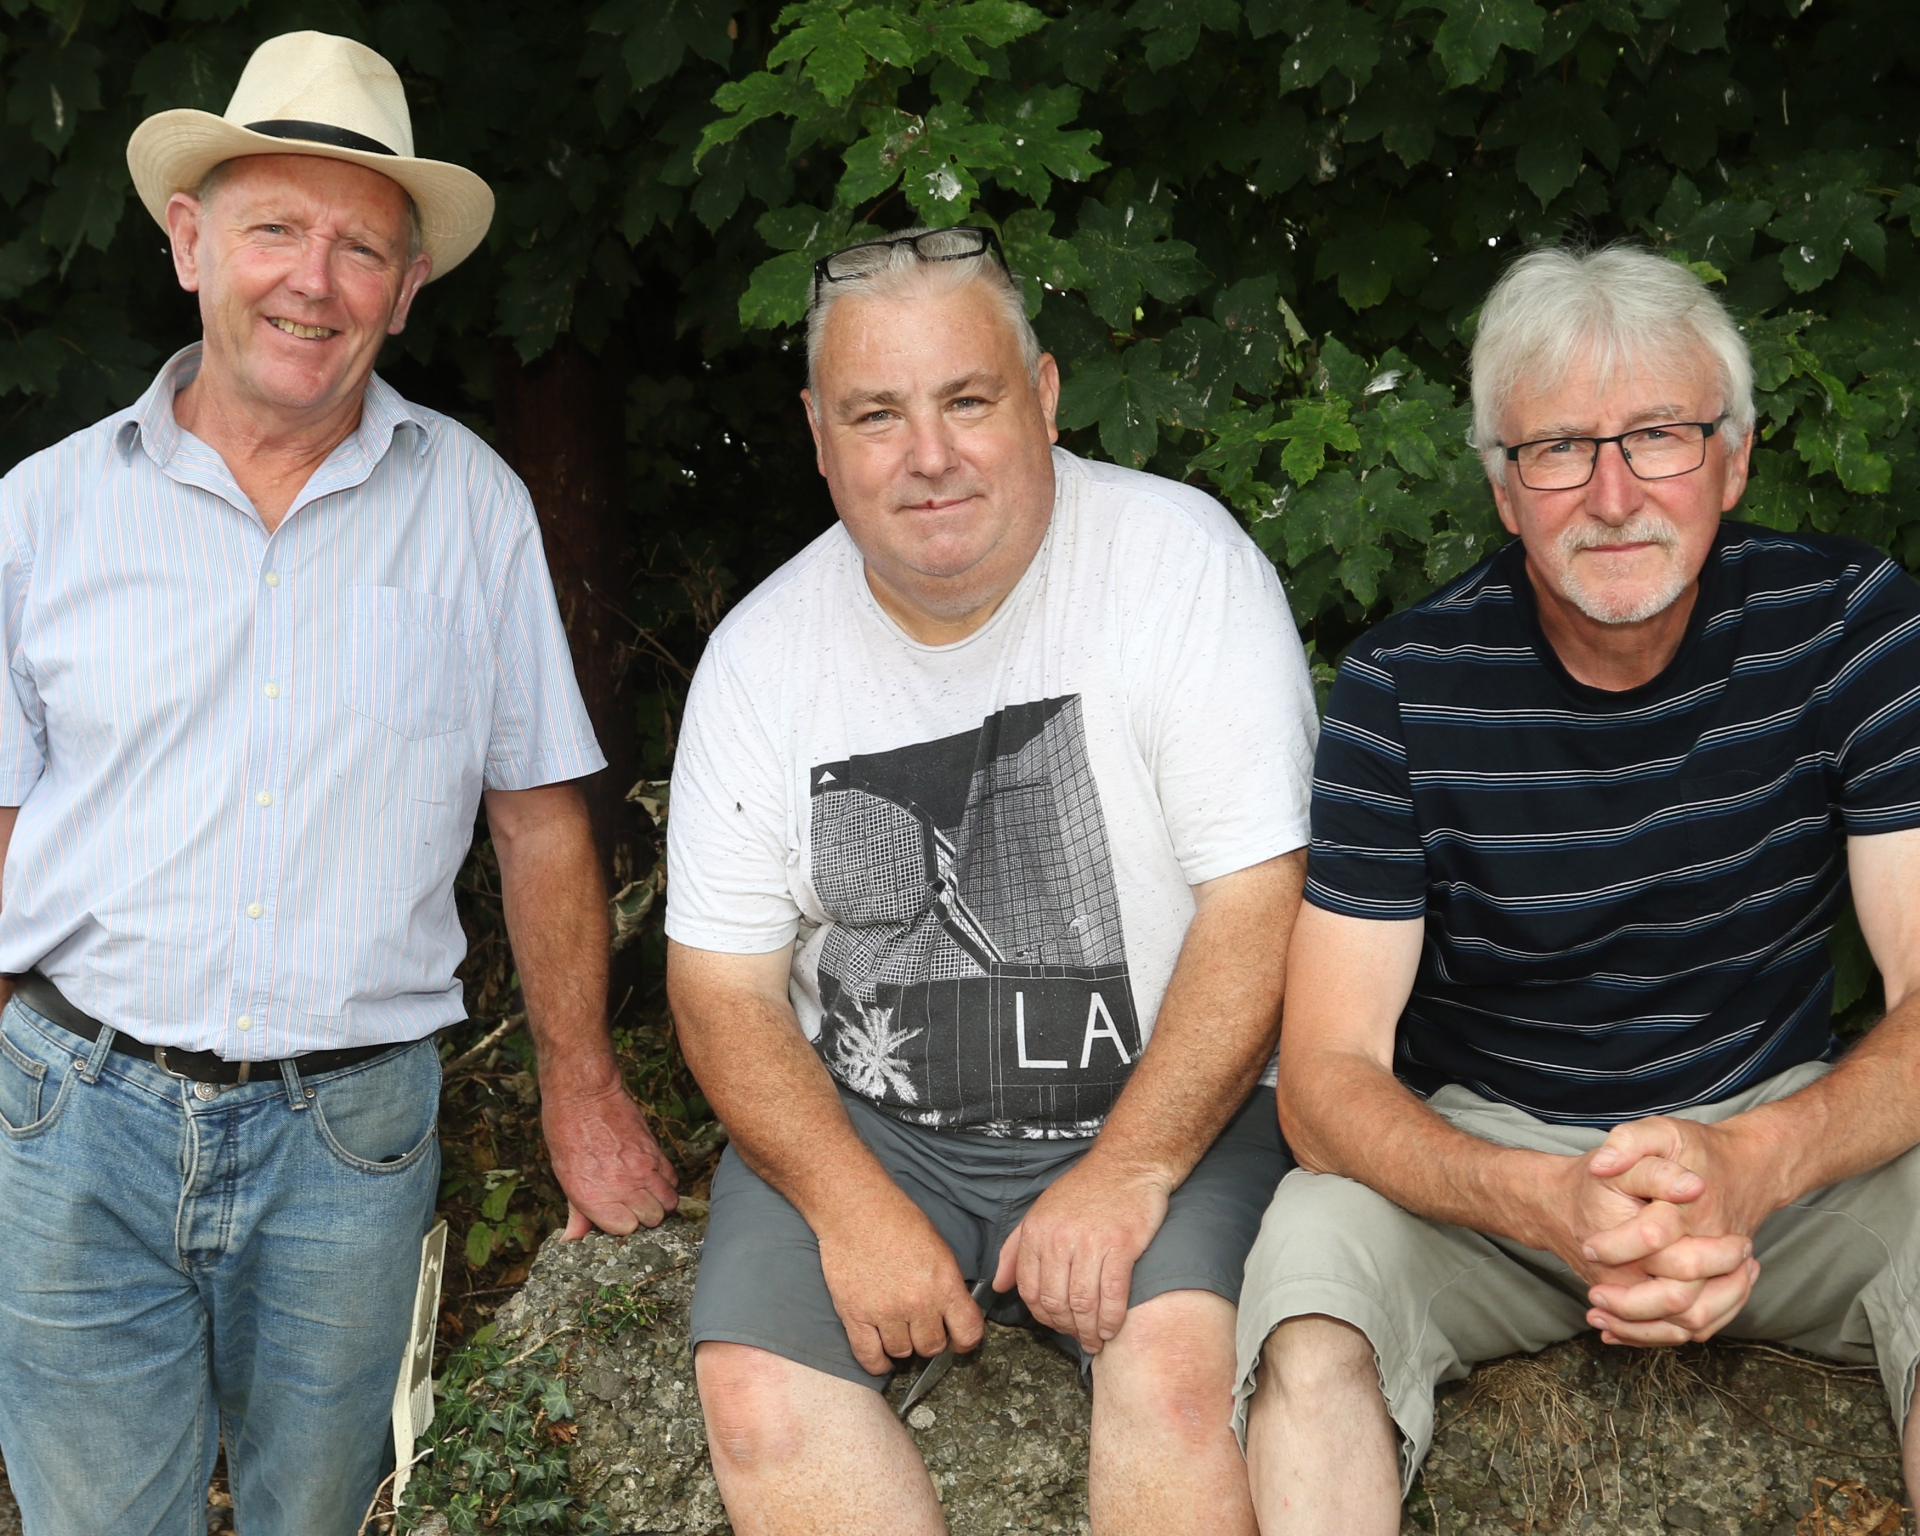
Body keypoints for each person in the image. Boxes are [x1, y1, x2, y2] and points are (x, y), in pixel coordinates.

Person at [0, 32, 677, 1535]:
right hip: (72, 1115)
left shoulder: (476, 508)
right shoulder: (37, 516)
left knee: (320, 1516)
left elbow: (535, 814)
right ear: (189, 243)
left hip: (349, 1141)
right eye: (274, 231)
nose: (314, 281)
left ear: (408, 286)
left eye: (361, 247)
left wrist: (579, 1088)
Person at [1235, 242, 1920, 1533]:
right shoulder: (1402, 689)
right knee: (1310, 1290)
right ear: (1505, 491)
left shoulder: (1849, 623)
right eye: (1558, 449)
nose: (1613, 494)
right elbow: (1326, 1078)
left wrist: (1758, 1162)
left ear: (1735, 455)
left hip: (1778, 1136)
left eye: (1659, 435)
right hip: (1493, 1164)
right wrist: (1538, 1200)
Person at [663, 225, 1319, 1535]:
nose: (930, 456)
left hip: (1178, 1108)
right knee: (756, 1395)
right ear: (817, 433)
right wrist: (849, 1206)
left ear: (1046, 394)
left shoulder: (1181, 567)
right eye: (877, 414)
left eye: (968, 399)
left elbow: (1263, 905)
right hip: (882, 1129)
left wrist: (1129, 1172)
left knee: (1183, 1384)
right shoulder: (760, 658)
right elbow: (721, 991)